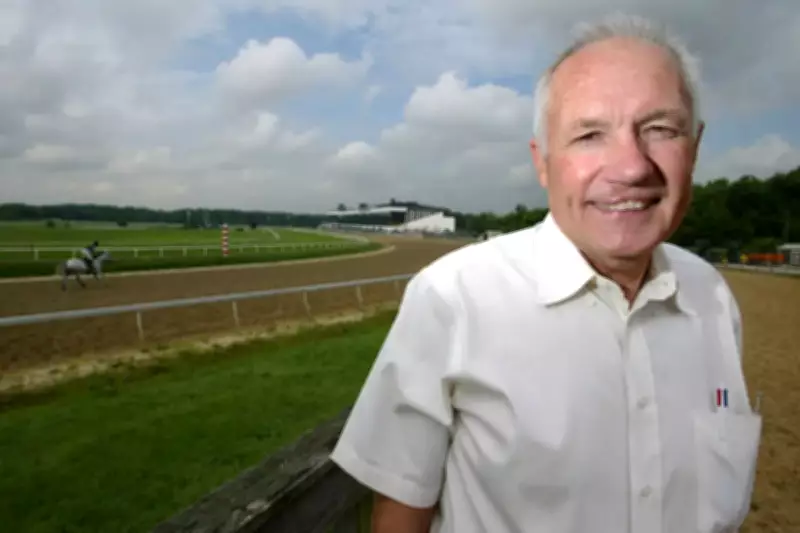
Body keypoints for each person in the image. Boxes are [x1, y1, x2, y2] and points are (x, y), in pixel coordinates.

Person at [329, 13, 762, 533]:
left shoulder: (712, 296)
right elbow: (400, 514)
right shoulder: (452, 297)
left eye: (660, 130)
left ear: (695, 149)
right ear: (542, 161)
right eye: (590, 134)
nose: (631, 167)